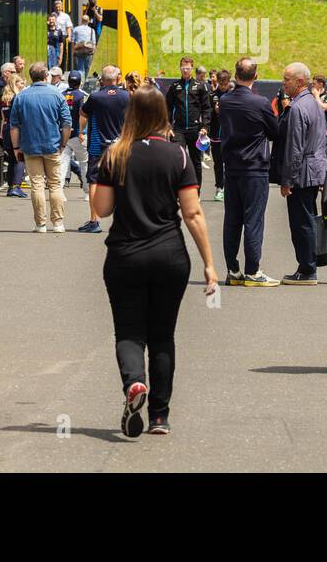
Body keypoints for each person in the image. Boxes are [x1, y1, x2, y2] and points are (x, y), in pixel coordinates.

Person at [94, 84, 218, 436]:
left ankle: (135, 384)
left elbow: (101, 209)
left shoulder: (115, 154)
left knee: (129, 332)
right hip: (169, 255)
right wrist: (209, 264)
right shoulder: (177, 155)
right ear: (164, 114)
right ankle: (160, 417)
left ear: (129, 114)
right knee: (163, 336)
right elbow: (193, 213)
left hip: (125, 255)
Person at [217, 57, 280, 287]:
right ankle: (252, 270)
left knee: (232, 219)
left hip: (231, 166)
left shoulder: (225, 101)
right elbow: (275, 132)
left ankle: (233, 269)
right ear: (256, 76)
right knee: (253, 220)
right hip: (254, 167)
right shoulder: (261, 102)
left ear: (235, 75)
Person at [276, 62, 327, 285]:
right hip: (313, 170)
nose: (283, 83)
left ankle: (307, 269)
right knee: (308, 219)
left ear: (299, 81)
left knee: (301, 222)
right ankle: (308, 266)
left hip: (302, 173)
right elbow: (323, 140)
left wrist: (287, 179)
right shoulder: (314, 103)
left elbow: (295, 148)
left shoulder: (298, 107)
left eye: (287, 79)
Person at [9, 62, 73, 233]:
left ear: (31, 77)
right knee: (55, 184)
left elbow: (14, 126)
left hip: (30, 146)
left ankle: (40, 224)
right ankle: (58, 223)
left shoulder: (22, 96)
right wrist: (63, 144)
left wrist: (16, 148)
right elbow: (67, 123)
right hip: (52, 145)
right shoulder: (57, 95)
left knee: (36, 184)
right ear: (46, 77)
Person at [80, 65, 131, 233]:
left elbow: (84, 113)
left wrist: (82, 130)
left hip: (97, 146)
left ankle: (94, 221)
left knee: (94, 181)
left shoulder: (95, 97)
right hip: (120, 146)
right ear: (118, 79)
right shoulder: (126, 96)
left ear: (102, 79)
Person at [165, 57, 211, 194]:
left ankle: (196, 192)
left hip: (195, 130)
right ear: (180, 68)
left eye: (188, 68)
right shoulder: (174, 87)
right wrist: (167, 125)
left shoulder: (200, 86)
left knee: (196, 161)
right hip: (178, 129)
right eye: (183, 68)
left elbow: (206, 108)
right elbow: (167, 107)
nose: (185, 70)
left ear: (192, 69)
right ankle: (179, 190)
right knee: (178, 159)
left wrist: (205, 127)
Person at [0, 66, 27, 198]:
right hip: (15, 129)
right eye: (21, 82)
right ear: (15, 84)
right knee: (20, 158)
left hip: (6, 129)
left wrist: (1, 134)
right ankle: (16, 186)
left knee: (11, 159)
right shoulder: (18, 98)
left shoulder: (4, 98)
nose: (23, 84)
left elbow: (3, 118)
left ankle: (11, 186)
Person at [61, 70, 88, 195]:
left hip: (63, 133)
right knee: (84, 162)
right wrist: (82, 131)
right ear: (79, 82)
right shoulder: (82, 95)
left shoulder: (61, 94)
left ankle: (59, 192)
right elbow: (83, 114)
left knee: (62, 164)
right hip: (78, 133)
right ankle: (87, 192)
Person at [209, 69, 233, 202]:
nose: (224, 86)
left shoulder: (233, 95)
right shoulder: (212, 95)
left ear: (229, 82)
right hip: (216, 135)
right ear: (217, 82)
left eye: (226, 83)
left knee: (230, 162)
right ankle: (219, 187)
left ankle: (230, 188)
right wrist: (215, 111)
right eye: (221, 83)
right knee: (218, 163)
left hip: (230, 135)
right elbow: (207, 114)